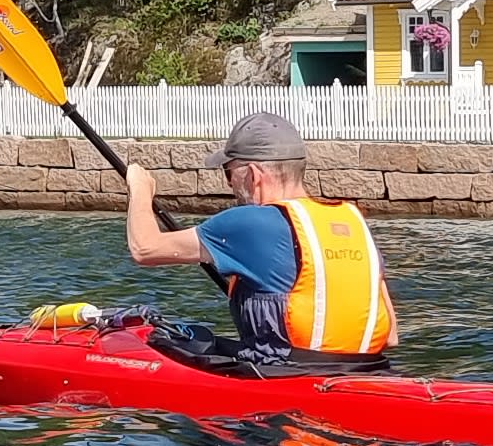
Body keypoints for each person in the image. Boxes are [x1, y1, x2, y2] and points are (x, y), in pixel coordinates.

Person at [122, 107, 397, 372]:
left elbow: (144, 248)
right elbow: (390, 336)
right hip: (368, 372)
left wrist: (140, 189)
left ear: (253, 175)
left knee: (167, 339)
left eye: (228, 174)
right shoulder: (352, 222)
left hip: (285, 379)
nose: (229, 185)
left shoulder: (250, 221)